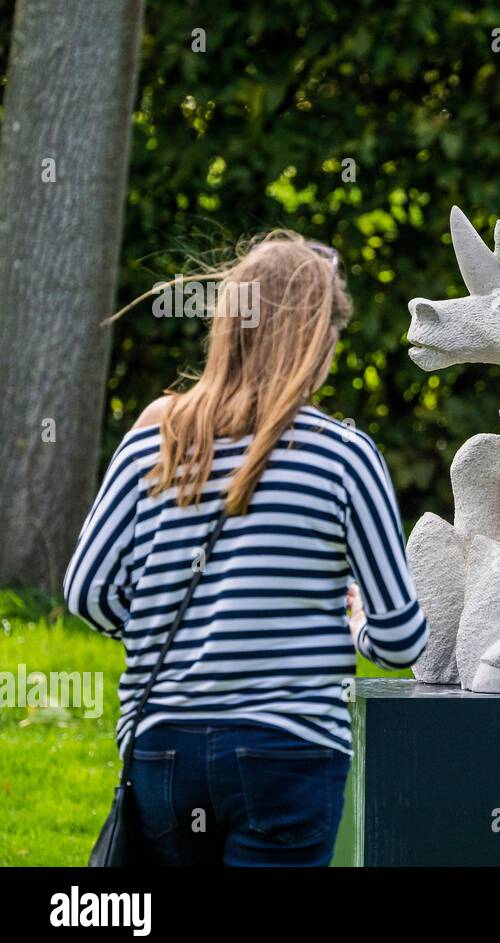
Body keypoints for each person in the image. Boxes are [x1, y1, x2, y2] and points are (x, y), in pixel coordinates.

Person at [64, 233, 428, 865]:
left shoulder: (156, 444)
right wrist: (354, 620)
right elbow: (401, 641)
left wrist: (163, 626)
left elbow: (87, 591)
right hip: (288, 754)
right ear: (319, 338)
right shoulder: (344, 458)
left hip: (162, 749)